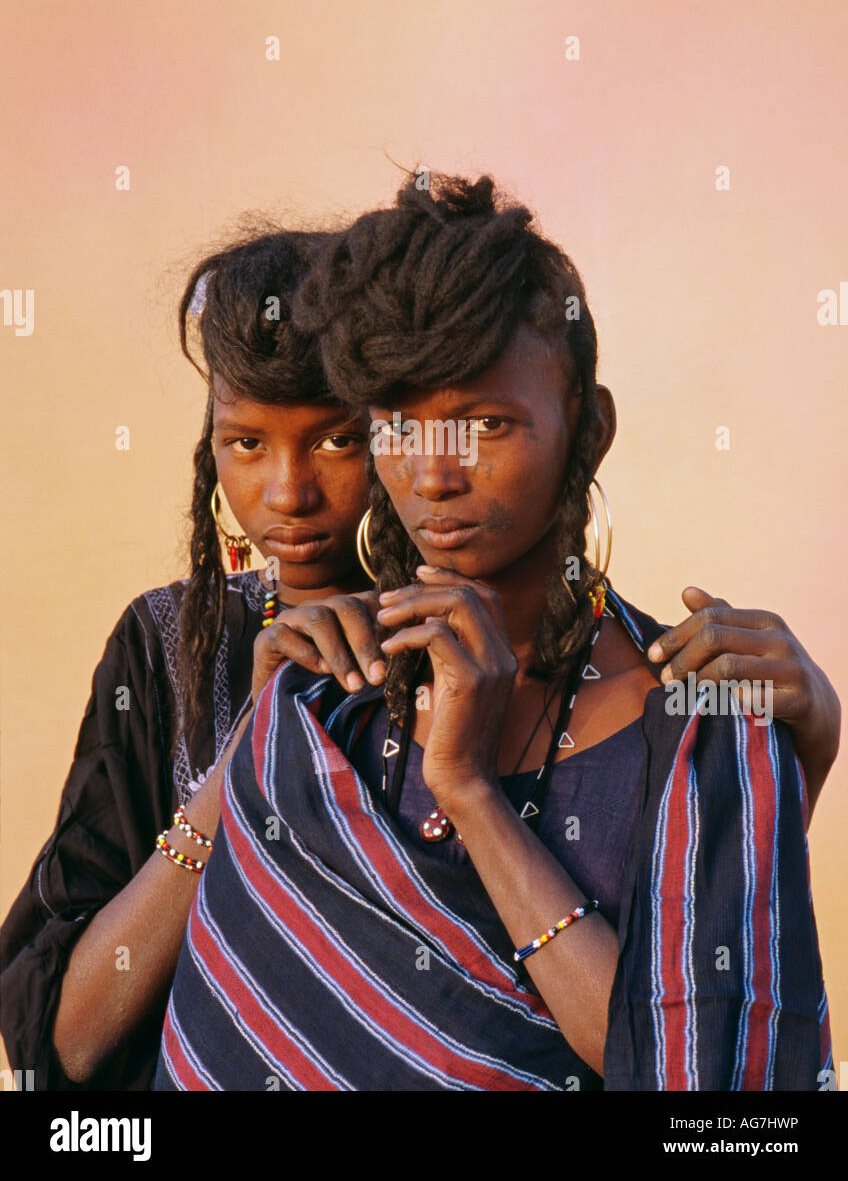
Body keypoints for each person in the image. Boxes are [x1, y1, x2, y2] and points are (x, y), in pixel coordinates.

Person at [156, 173, 837, 1092]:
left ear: (587, 430)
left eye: (486, 423)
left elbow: (705, 1094)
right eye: (398, 424)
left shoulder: (701, 721)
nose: (435, 476)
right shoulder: (323, 703)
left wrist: (468, 790)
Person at [0, 227, 374, 1090]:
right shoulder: (167, 646)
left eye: (335, 441)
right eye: (247, 443)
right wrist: (248, 752)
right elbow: (68, 1041)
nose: (287, 493)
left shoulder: (468, 648)